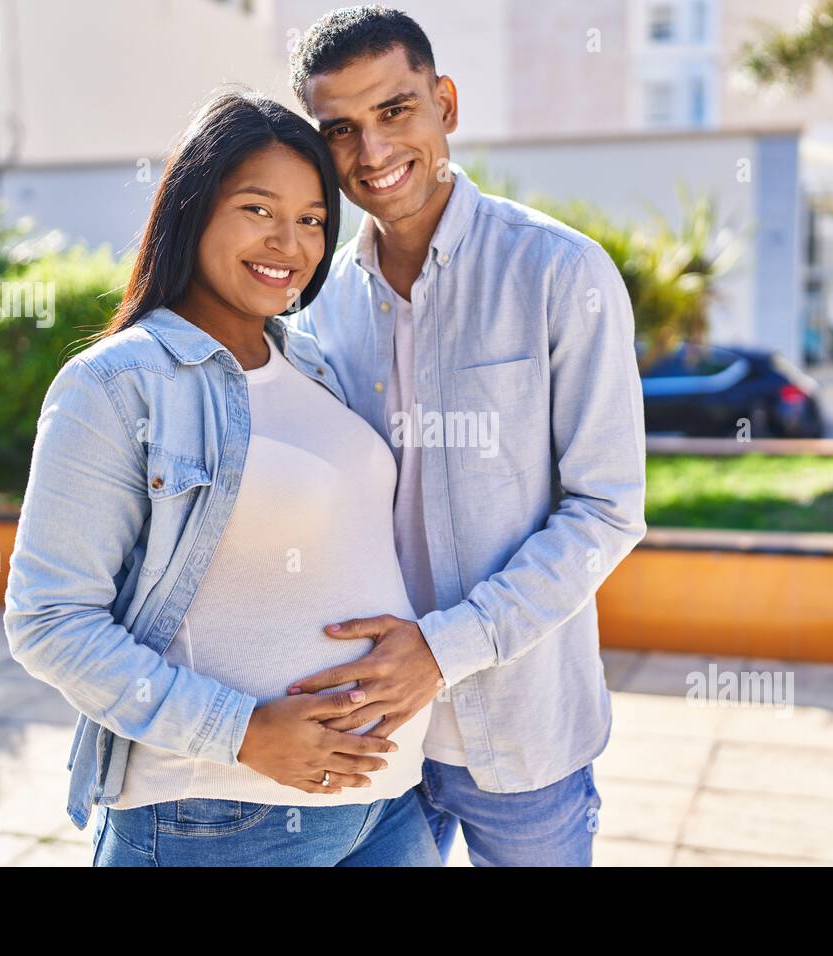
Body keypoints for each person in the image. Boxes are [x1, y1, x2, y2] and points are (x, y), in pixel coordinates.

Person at [2, 89, 439, 866]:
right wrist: (239, 732)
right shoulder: (118, 383)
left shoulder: (310, 365)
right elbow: (50, 619)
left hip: (388, 809)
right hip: (221, 817)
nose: (290, 241)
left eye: (311, 219)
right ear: (193, 209)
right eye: (257, 209)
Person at [287, 6, 648, 866]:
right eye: (340, 129)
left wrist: (442, 654)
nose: (372, 153)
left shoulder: (560, 273)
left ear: (445, 102)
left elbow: (606, 511)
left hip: (524, 741)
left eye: (395, 111)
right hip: (375, 738)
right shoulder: (318, 301)